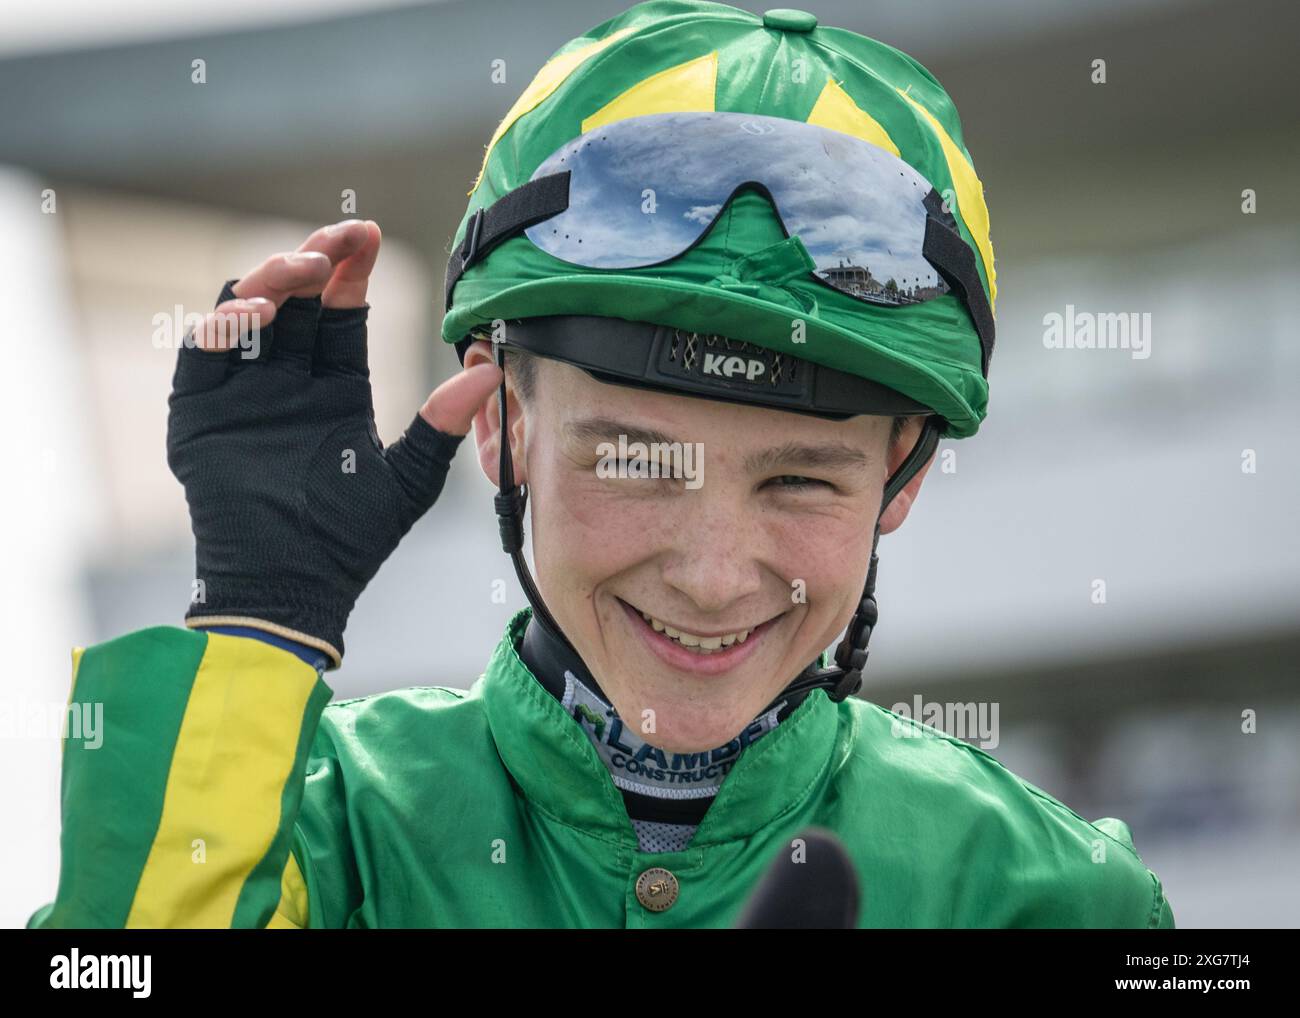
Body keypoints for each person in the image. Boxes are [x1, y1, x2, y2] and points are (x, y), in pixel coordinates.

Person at [28, 0, 1174, 928]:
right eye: (632, 458)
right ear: (499, 426)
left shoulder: (1054, 900)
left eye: (800, 479)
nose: (714, 574)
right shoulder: (312, 832)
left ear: (902, 479)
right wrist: (252, 623)